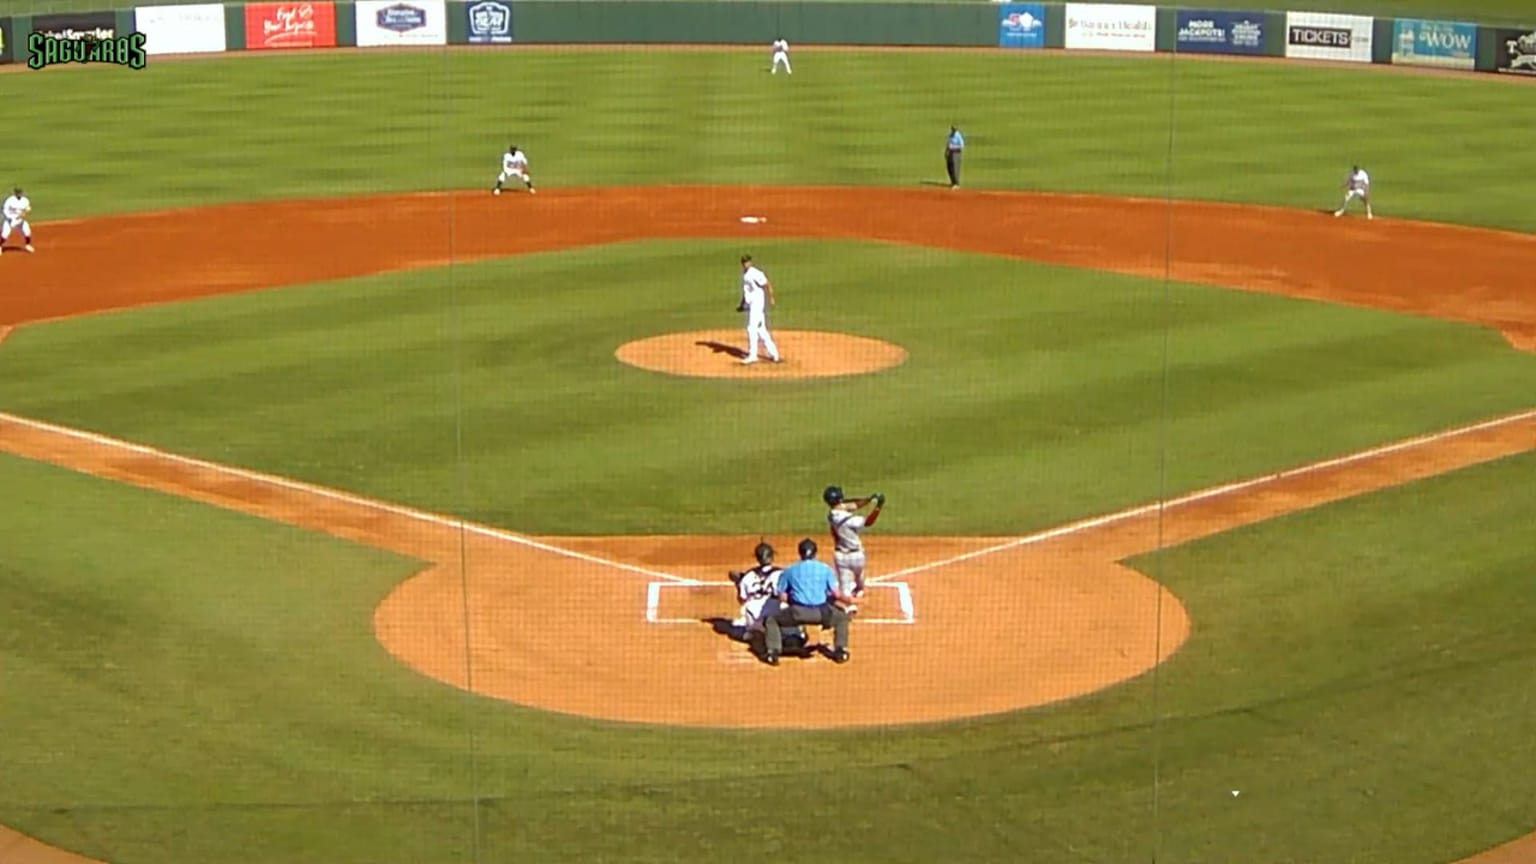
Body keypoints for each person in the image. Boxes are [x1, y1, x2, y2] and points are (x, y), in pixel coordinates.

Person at [763, 538, 853, 666]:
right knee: (842, 618)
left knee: (771, 620)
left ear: (800, 553)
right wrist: (850, 600)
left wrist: (795, 600)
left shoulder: (789, 570)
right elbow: (836, 594)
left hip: (797, 613)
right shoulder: (825, 569)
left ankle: (773, 653)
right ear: (815, 553)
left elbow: (782, 596)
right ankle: (840, 651)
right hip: (822, 613)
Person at [823, 485, 884, 616]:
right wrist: (878, 507)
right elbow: (868, 522)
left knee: (844, 585)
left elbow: (853, 505)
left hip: (840, 556)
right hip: (856, 556)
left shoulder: (832, 514)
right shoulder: (848, 520)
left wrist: (868, 499)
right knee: (860, 580)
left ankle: (849, 606)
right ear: (840, 499)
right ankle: (858, 592)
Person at [728, 539, 784, 641]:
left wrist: (738, 584)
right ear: (772, 557)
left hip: (753, 623)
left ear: (757, 559)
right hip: (774, 622)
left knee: (736, 626)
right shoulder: (782, 574)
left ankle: (751, 634)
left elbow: (742, 600)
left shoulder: (748, 576)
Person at [737, 254, 781, 365]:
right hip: (752, 305)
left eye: (747, 262)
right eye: (744, 262)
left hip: (757, 304)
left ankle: (753, 355)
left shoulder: (755, 273)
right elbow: (746, 291)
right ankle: (774, 354)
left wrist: (771, 297)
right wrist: (742, 305)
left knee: (751, 328)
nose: (745, 264)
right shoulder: (745, 274)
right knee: (761, 330)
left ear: (750, 262)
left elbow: (766, 284)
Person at [1, 187, 34, 255]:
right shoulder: (10, 200)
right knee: (4, 235)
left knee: (27, 232)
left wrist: (24, 213)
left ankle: (27, 245)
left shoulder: (25, 200)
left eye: (20, 193)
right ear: (15, 193)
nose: (19, 194)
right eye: (18, 193)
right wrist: (9, 218)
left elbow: (27, 208)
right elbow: (5, 210)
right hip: (9, 220)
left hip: (20, 220)